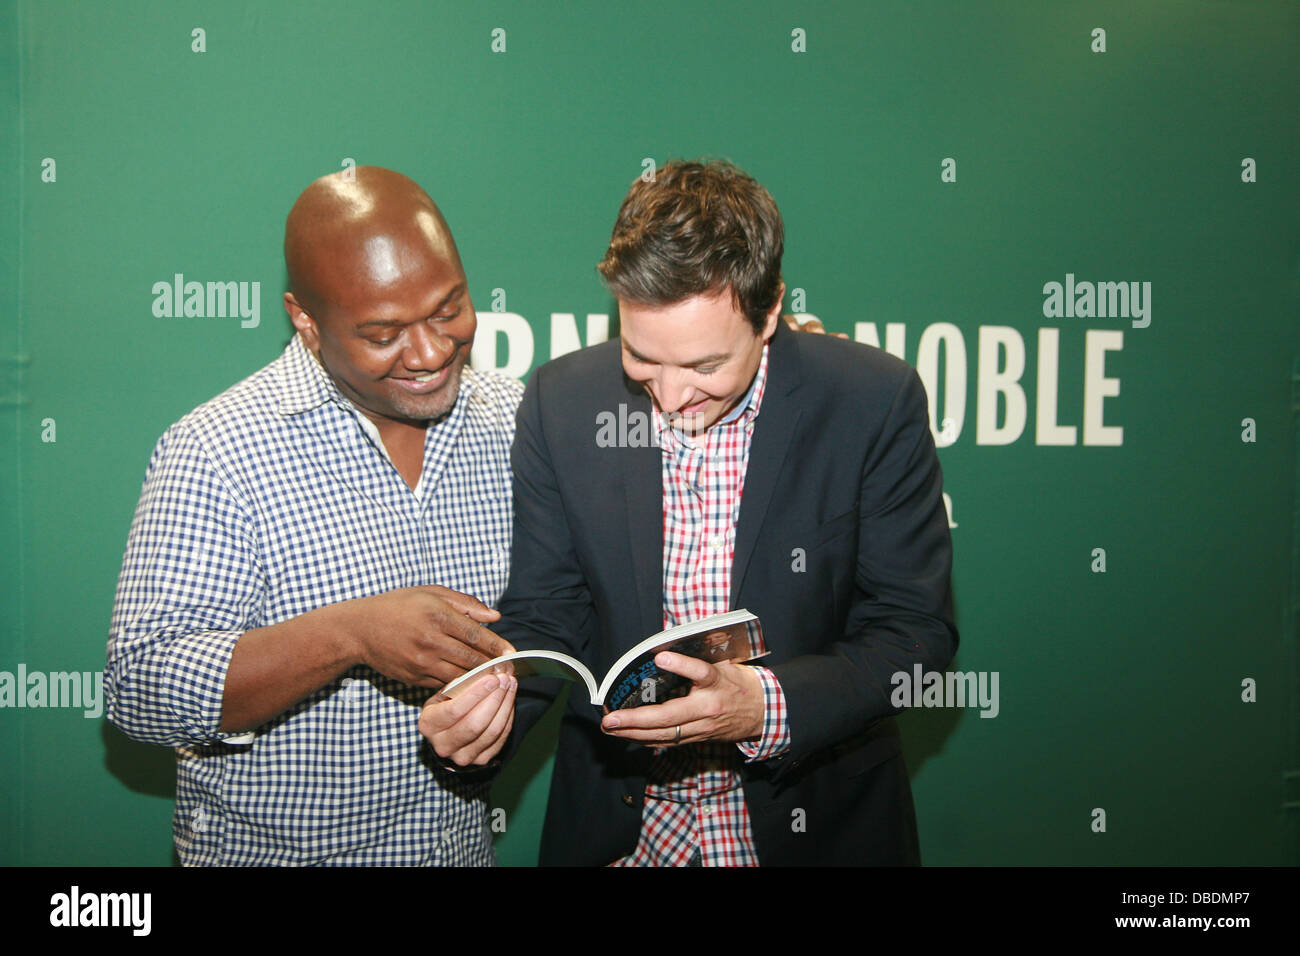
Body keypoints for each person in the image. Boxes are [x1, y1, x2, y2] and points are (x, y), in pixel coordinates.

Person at [466, 159, 959, 865]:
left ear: (769, 314)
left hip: (811, 829)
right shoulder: (561, 402)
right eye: (642, 358)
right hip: (623, 835)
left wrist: (765, 705)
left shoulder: (870, 402)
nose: (668, 398)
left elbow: (917, 634)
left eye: (703, 367)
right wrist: (493, 706)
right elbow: (550, 613)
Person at [106, 167, 523, 865]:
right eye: (383, 333)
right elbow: (140, 687)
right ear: (305, 319)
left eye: (448, 308)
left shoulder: (512, 418)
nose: (429, 352)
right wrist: (349, 636)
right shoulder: (216, 450)